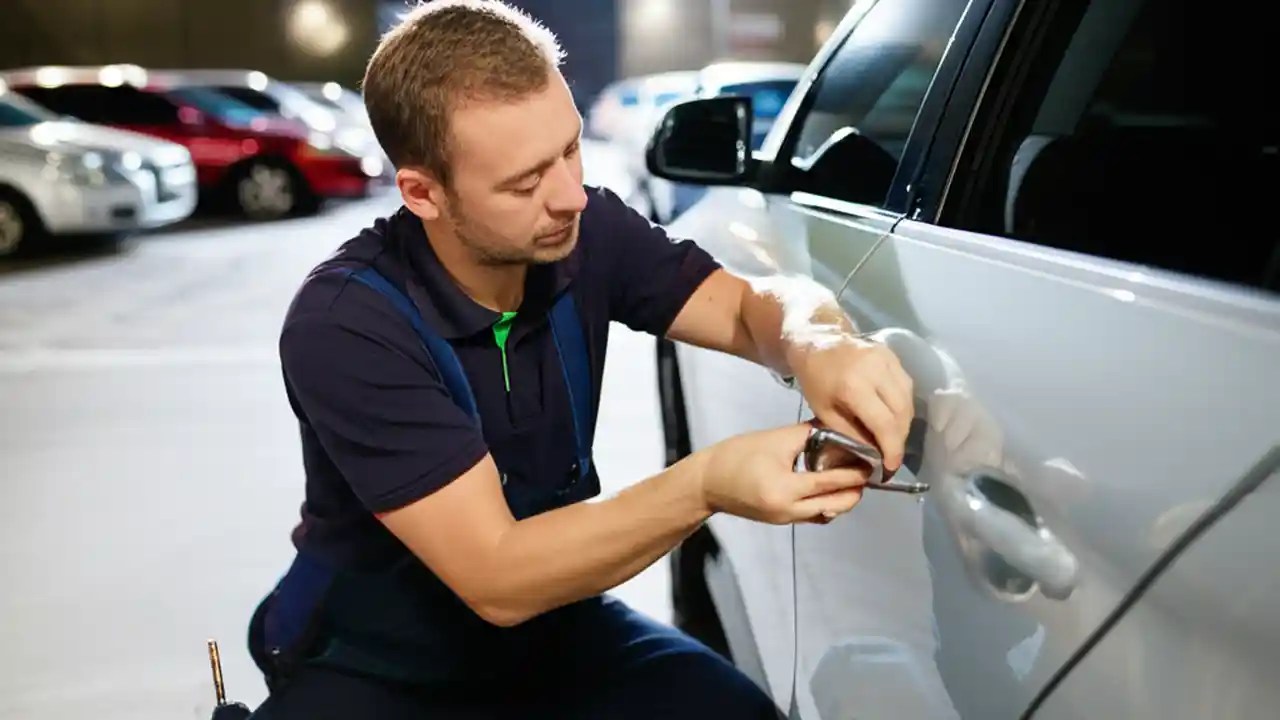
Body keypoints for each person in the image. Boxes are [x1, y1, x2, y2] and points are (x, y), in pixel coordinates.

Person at [246, 1, 914, 717]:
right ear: (423, 193)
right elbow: (496, 576)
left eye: (569, 149)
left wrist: (818, 339)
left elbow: (749, 308)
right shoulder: (348, 324)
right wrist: (705, 486)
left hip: (551, 629)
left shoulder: (582, 231)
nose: (569, 196)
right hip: (382, 662)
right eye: (525, 182)